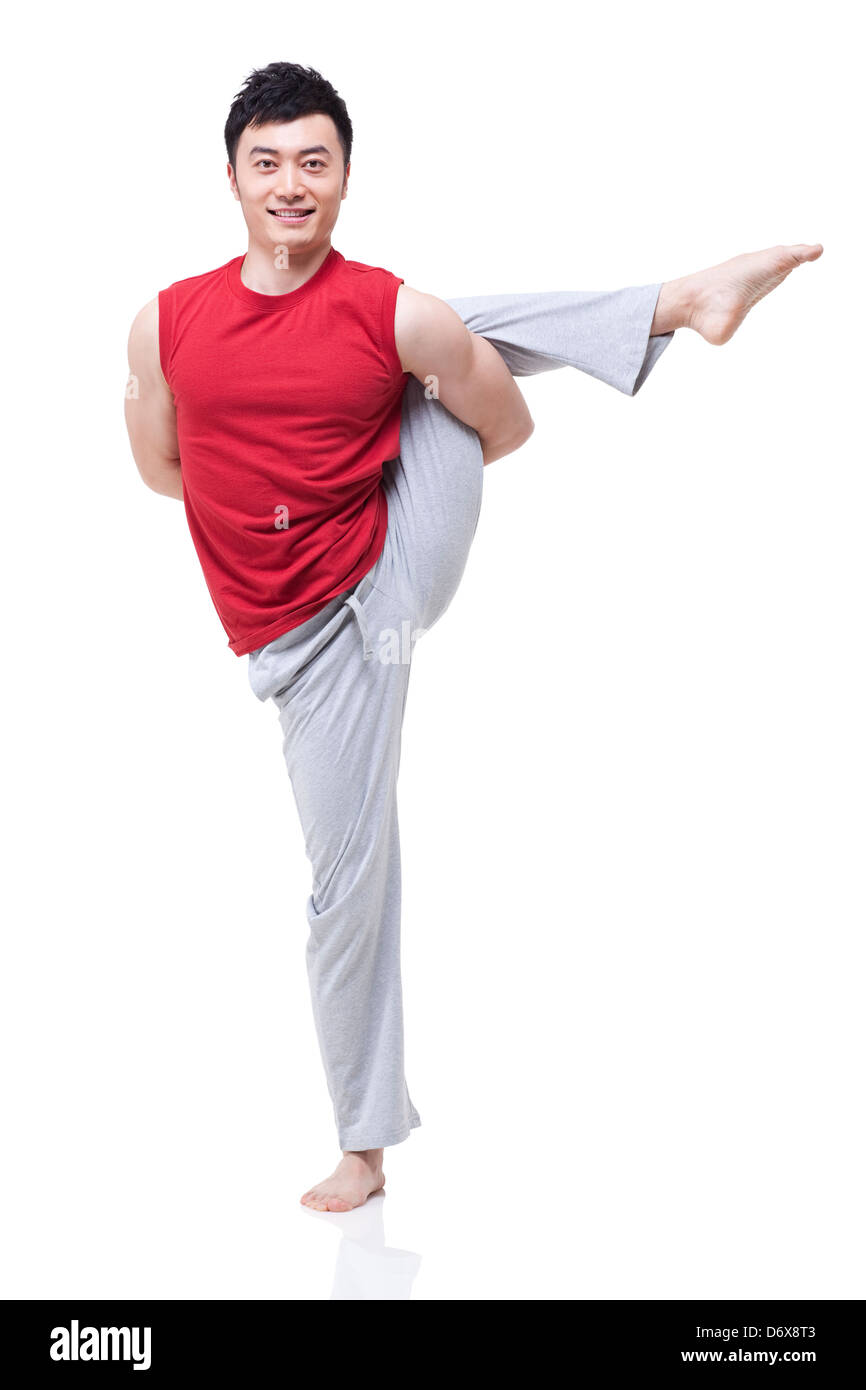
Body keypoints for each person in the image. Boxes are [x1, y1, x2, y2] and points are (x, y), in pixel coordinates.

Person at [124, 60, 823, 1213]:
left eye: (314, 162)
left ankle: (362, 1147)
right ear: (232, 179)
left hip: (389, 573)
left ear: (344, 177)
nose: (290, 185)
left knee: (427, 330)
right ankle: (676, 299)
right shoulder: (166, 321)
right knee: (437, 329)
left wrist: (388, 458)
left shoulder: (384, 304)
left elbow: (505, 426)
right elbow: (163, 473)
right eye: (268, 164)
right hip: (288, 635)